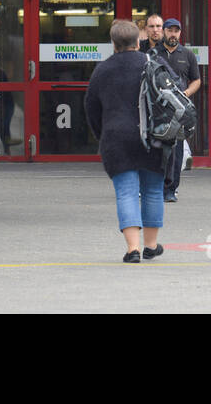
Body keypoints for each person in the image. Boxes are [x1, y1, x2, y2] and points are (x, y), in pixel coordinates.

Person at [87, 19, 168, 262]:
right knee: (153, 190)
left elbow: (91, 108)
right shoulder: (153, 63)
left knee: (126, 193)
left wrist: (102, 136)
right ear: (138, 41)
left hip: (116, 139)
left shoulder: (102, 70)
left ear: (113, 43)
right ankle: (151, 246)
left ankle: (133, 249)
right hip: (153, 136)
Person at [155, 18, 200, 201]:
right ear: (164, 32)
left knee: (176, 150)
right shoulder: (155, 53)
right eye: (169, 30)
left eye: (176, 31)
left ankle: (171, 190)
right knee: (157, 148)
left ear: (180, 33)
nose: (173, 34)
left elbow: (196, 79)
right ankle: (156, 187)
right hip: (158, 108)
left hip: (179, 111)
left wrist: (186, 93)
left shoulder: (187, 54)